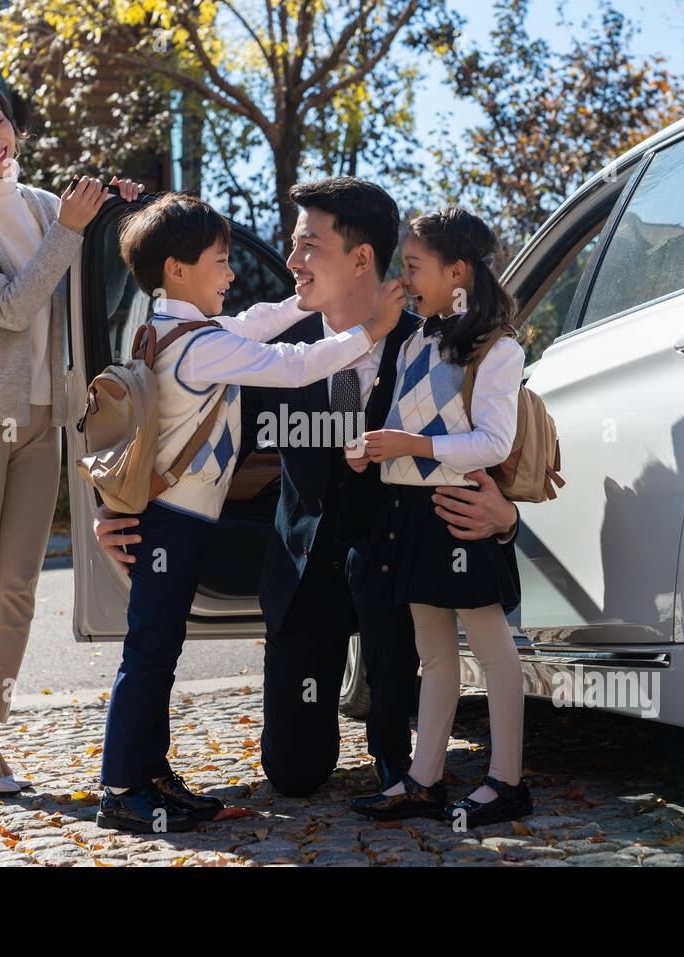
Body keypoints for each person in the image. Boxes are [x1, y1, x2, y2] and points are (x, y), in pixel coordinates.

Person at [95, 179, 523, 801]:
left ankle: (408, 761)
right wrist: (117, 505)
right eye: (292, 247)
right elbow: (154, 412)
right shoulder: (262, 348)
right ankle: (144, 774)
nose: (290, 261)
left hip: (399, 564)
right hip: (304, 570)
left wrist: (504, 514)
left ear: (361, 258)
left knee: (401, 700)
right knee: (293, 774)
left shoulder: (435, 340)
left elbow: (505, 442)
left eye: (307, 246)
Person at [94, 192, 403, 833]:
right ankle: (123, 786)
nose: (233, 273)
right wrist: (368, 332)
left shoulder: (178, 330)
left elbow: (259, 323)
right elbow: (290, 364)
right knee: (150, 653)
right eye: (220, 260)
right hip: (175, 521)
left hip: (183, 519)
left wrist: (302, 302)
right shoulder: (201, 345)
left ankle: (150, 774)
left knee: (158, 648)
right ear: (178, 270)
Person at [0, 70, 144, 795]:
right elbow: (14, 308)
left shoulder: (48, 205)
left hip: (45, 418)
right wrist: (71, 231)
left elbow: (90, 286)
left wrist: (113, 218)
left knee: (17, 587)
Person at [348, 206, 535, 826]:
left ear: (457, 271)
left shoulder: (498, 347)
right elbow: (410, 424)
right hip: (413, 511)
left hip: (459, 512)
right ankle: (424, 779)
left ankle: (507, 781)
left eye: (414, 266)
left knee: (490, 646)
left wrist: (412, 447)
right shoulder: (417, 338)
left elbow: (494, 443)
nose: (404, 279)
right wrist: (375, 450)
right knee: (433, 653)